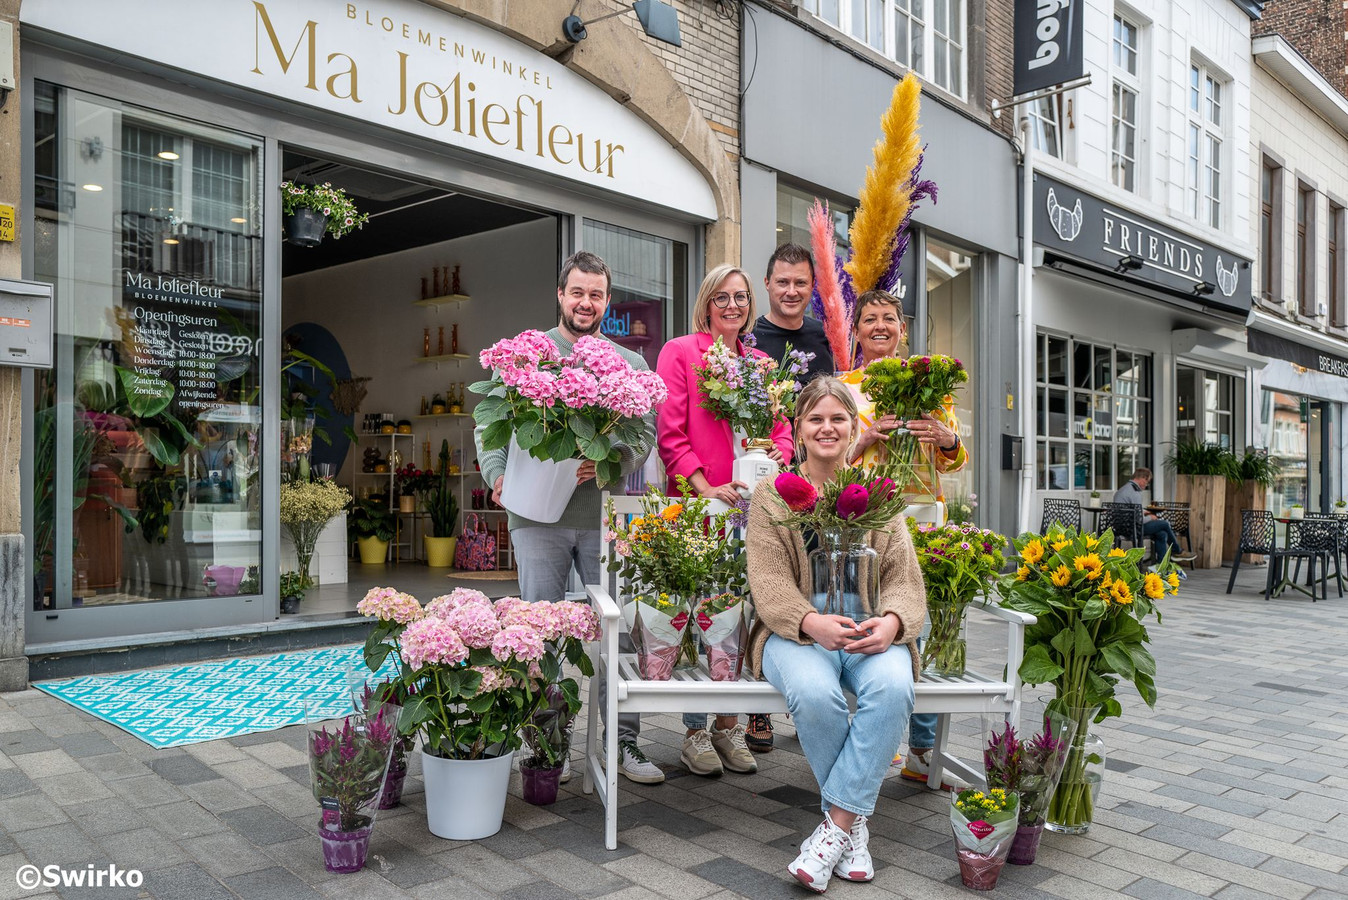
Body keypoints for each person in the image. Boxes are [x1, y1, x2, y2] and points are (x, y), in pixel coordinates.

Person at [475, 251, 664, 785]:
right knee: (539, 632)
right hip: (538, 520)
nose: (586, 303)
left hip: (602, 517)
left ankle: (623, 744)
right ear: (560, 295)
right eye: (577, 292)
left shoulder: (629, 366)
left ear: (607, 300)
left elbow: (644, 437)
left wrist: (608, 459)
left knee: (619, 633)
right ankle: (546, 746)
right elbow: (486, 426)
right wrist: (496, 475)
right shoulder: (528, 355)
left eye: (596, 294)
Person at [746, 377, 924, 892]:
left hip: (870, 629)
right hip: (796, 632)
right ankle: (854, 830)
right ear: (798, 428)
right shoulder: (772, 495)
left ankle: (836, 829)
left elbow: (903, 577)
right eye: (816, 418)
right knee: (814, 694)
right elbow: (769, 580)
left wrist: (891, 622)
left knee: (893, 688)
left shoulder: (878, 493)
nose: (827, 428)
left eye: (838, 418)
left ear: (853, 427)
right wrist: (809, 621)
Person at [655, 263, 794, 777]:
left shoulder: (760, 364)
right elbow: (670, 432)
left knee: (744, 614)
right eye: (722, 297)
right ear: (706, 302)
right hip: (702, 506)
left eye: (740, 297)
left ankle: (728, 725)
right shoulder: (682, 352)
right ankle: (694, 732)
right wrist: (704, 486)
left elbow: (784, 430)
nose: (732, 305)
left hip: (754, 510)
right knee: (703, 614)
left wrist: (770, 463)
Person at [836, 290, 968, 789]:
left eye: (888, 319)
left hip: (922, 518)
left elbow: (953, 457)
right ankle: (874, 729)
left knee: (925, 624)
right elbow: (827, 456)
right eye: (869, 319)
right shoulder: (843, 387)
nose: (879, 327)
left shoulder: (928, 382)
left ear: (902, 329)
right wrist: (865, 441)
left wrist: (946, 437)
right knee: (872, 621)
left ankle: (922, 750)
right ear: (856, 332)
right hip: (868, 520)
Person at [751, 243, 835, 384]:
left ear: (812, 285)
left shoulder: (826, 334)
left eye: (800, 283)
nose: (791, 292)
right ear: (767, 283)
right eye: (782, 282)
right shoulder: (748, 338)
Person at [1114, 467, 1193, 574]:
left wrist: (1144, 511)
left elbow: (1131, 510)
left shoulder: (1124, 489)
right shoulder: (1135, 492)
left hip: (1122, 526)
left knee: (1162, 534)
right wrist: (1151, 517)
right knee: (1164, 524)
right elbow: (1139, 520)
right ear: (1142, 479)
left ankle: (1160, 568)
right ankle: (1177, 551)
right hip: (1132, 528)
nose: (1146, 485)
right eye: (1147, 482)